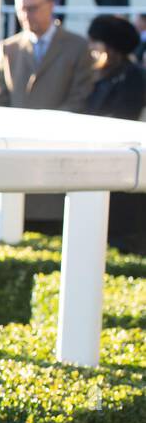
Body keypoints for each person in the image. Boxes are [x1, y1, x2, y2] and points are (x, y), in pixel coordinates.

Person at [0, 0, 95, 230]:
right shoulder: (8, 49)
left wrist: (46, 128)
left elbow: (81, 96)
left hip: (59, 153)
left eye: (32, 8)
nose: (26, 15)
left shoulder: (77, 47)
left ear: (51, 5)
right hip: (16, 155)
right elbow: (0, 99)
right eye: (21, 9)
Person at [83, 14, 146, 253]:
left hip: (123, 166)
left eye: (95, 42)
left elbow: (123, 117)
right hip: (105, 163)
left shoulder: (132, 77)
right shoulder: (105, 76)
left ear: (109, 46)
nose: (90, 48)